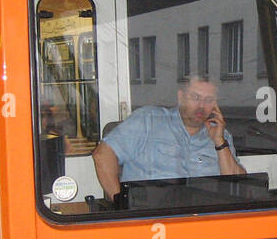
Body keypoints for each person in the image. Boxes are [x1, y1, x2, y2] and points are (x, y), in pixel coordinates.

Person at [94, 75, 245, 200]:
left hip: (203, 221)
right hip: (153, 219)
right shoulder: (148, 120)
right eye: (195, 97)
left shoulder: (221, 135)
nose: (201, 106)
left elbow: (238, 187)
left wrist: (219, 143)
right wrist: (121, 204)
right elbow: (102, 156)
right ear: (181, 97)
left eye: (209, 100)